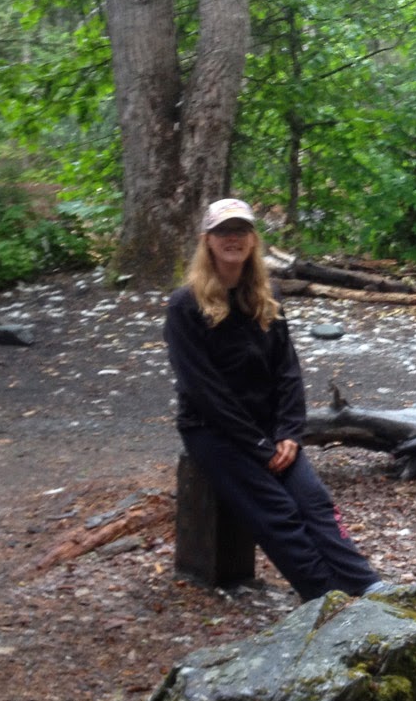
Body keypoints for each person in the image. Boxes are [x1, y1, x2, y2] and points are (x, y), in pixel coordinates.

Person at [164, 197, 383, 602]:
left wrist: (288, 433)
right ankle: (325, 597)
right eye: (223, 232)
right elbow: (205, 391)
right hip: (214, 431)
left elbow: (287, 371)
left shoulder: (267, 295)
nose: (233, 239)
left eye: (241, 231)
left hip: (270, 429)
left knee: (313, 501)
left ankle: (367, 586)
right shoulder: (185, 306)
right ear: (207, 241)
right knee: (277, 511)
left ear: (252, 239)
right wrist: (259, 446)